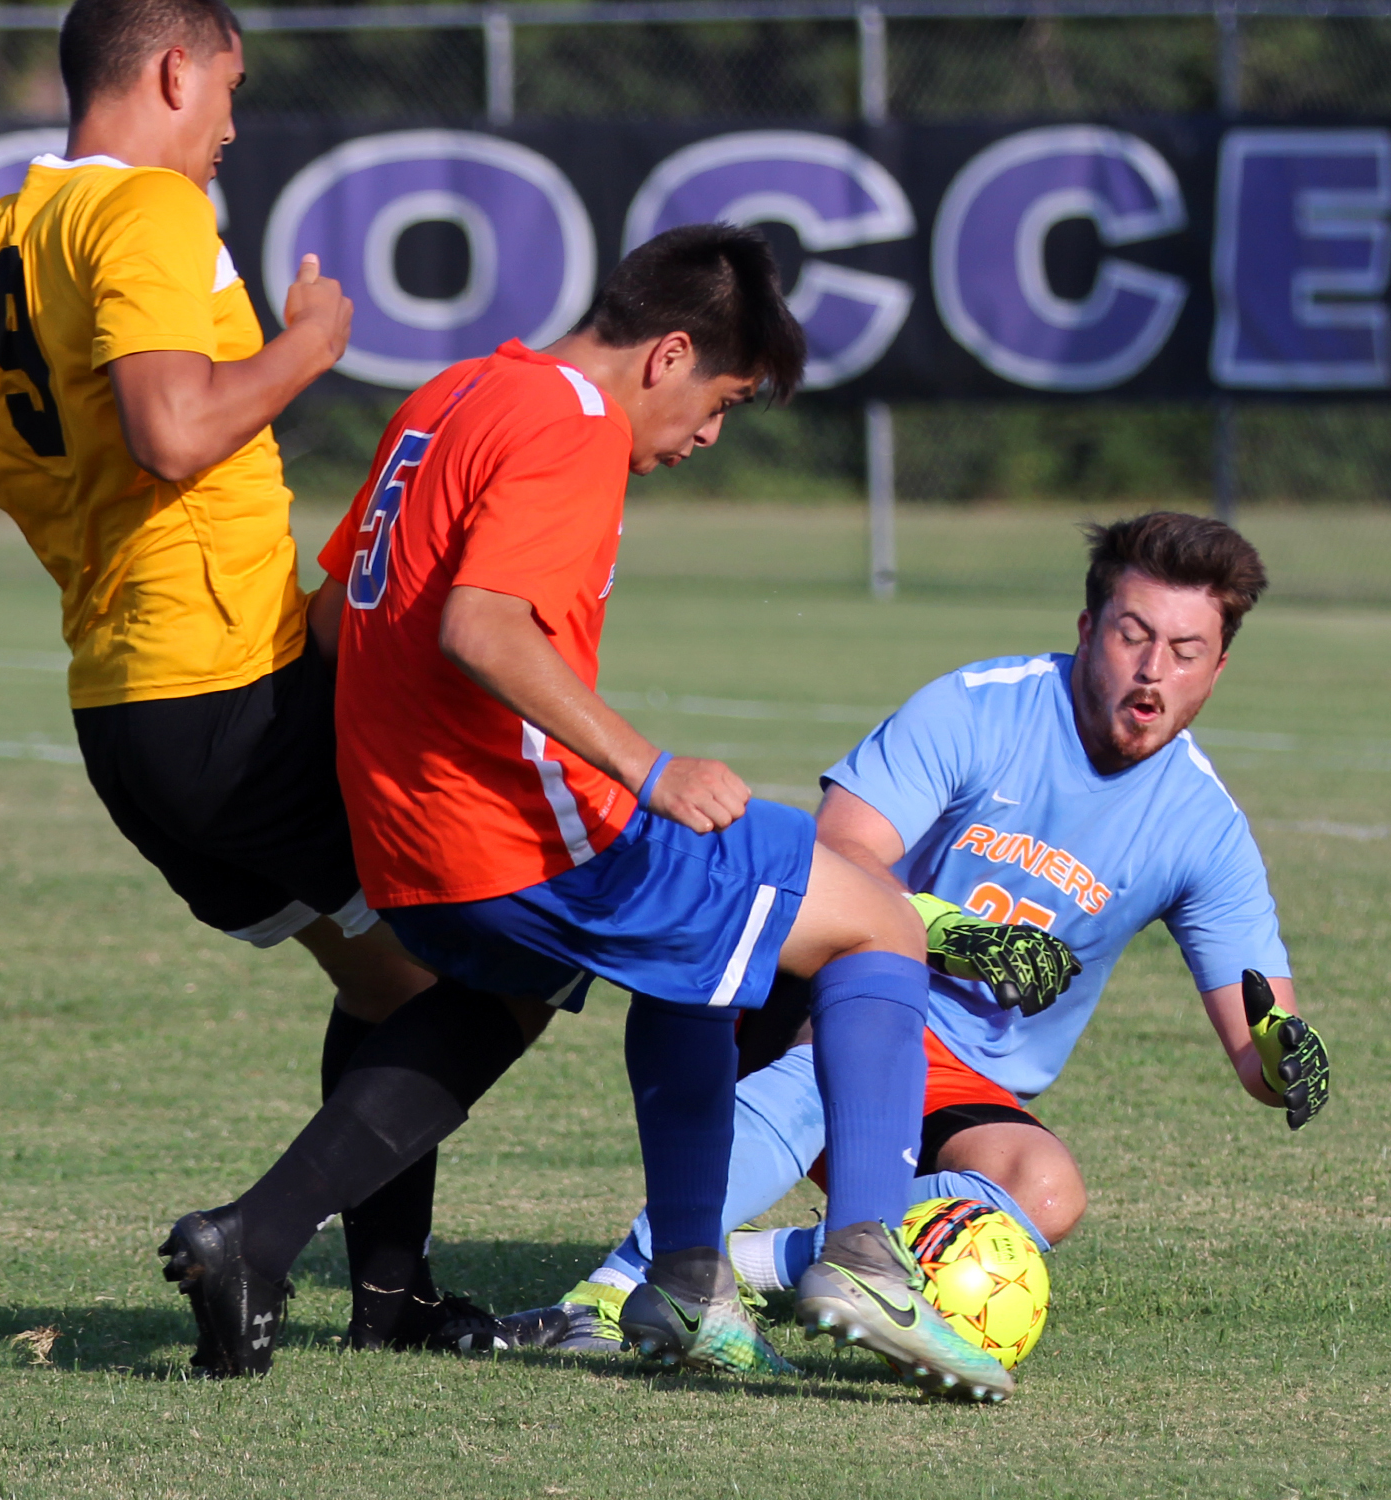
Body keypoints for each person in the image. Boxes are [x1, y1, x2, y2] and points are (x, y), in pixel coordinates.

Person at [158, 225, 1063, 1400]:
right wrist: (648, 769)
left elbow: (338, 620)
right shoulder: (570, 423)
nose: (709, 435)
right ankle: (866, 1257)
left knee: (602, 985)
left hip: (409, 843)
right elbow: (480, 624)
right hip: (525, 833)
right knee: (877, 924)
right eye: (721, 400)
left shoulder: (452, 393)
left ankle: (272, 1240)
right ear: (668, 353)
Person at [0, 0, 502, 1357]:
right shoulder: (149, 216)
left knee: (388, 985)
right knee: (501, 977)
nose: (230, 124)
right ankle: (253, 1244)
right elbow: (171, 433)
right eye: (229, 87)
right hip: (222, 685)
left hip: (122, 717)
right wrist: (308, 346)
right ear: (175, 69)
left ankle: (390, 1308)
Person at [522, 511, 1330, 1349]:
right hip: (835, 988)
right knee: (835, 1067)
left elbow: (1258, 1039)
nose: (1154, 670)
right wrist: (955, 935)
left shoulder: (1204, 826)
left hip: (958, 1075)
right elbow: (838, 849)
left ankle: (773, 1264)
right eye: (1134, 636)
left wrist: (1284, 1052)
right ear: (1089, 628)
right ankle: (615, 1292)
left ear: (1220, 666)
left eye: (1187, 651)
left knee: (1045, 1192)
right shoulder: (981, 709)